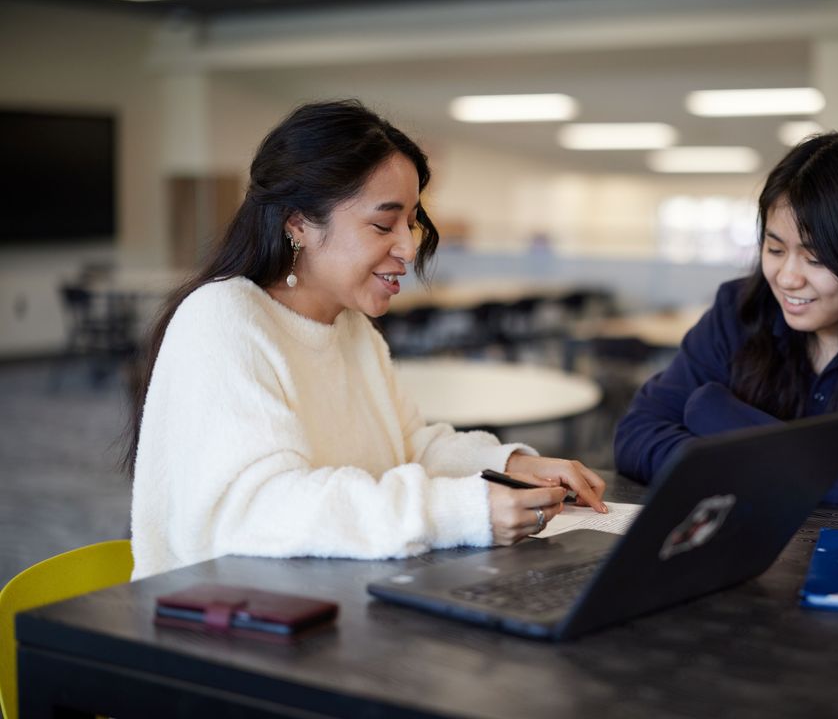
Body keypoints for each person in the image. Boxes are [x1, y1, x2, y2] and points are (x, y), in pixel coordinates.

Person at [126, 99, 606, 579]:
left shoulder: (351, 327)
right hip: (223, 620)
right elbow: (259, 509)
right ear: (298, 224)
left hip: (329, 596)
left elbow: (408, 448)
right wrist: (457, 512)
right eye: (383, 223)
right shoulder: (223, 318)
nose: (408, 246)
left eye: (411, 221)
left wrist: (513, 464)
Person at [614, 132, 838, 507]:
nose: (787, 277)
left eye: (816, 258)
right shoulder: (738, 308)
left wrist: (718, 417)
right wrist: (778, 463)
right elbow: (637, 434)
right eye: (774, 248)